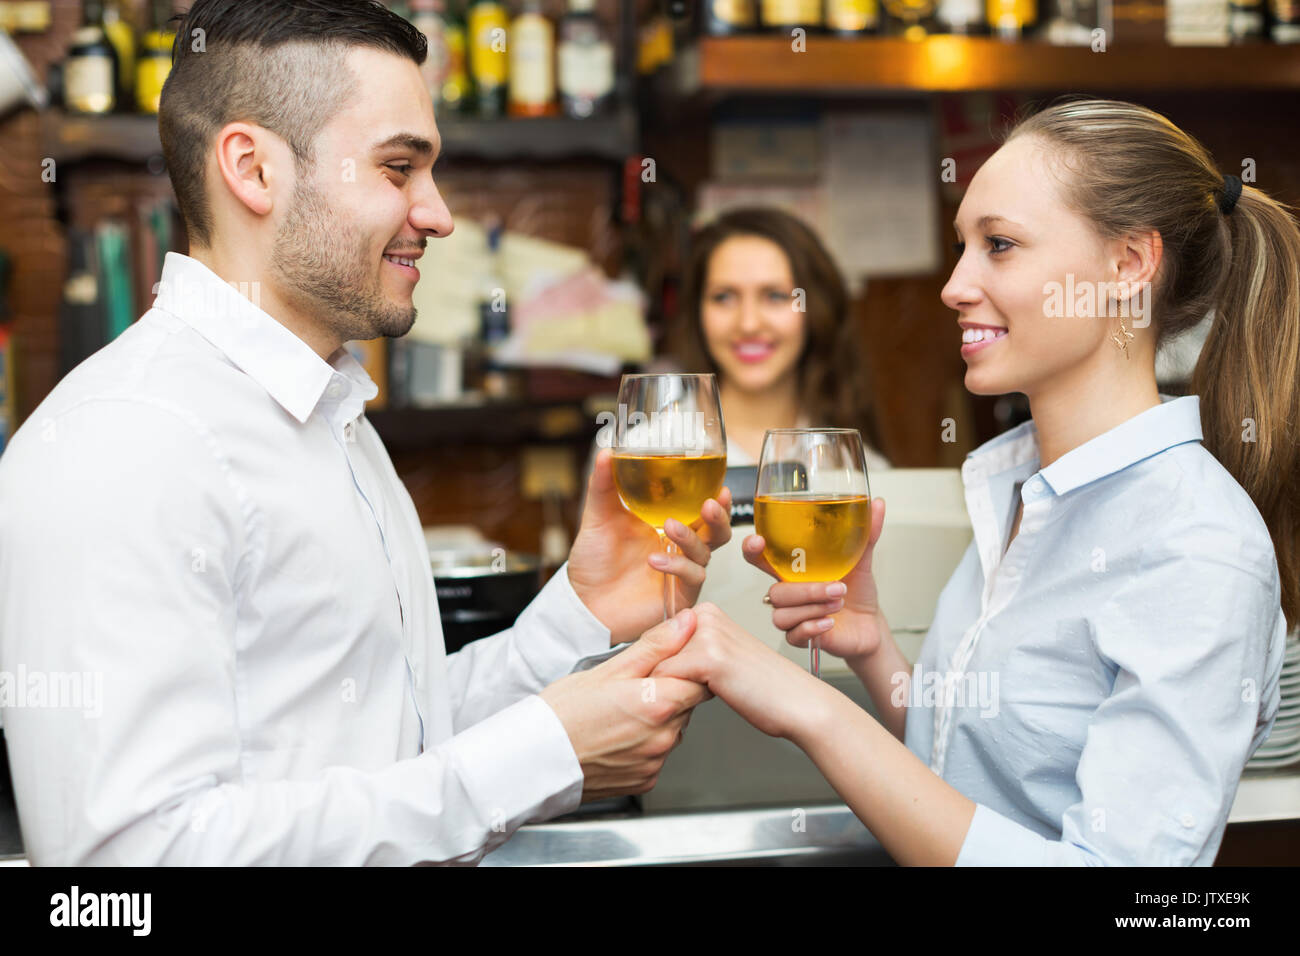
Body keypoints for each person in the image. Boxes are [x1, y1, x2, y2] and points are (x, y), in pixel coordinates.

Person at [0, 0, 733, 865]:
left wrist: (579, 614)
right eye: (398, 169)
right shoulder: (121, 442)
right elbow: (130, 869)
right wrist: (542, 754)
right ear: (253, 169)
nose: (438, 214)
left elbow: (388, 728)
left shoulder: (331, 412)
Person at [650, 98, 1298, 865]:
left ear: (1128, 266)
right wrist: (874, 652)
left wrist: (813, 711)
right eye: (964, 246)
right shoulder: (1023, 488)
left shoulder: (1198, 549)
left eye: (999, 245)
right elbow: (970, 775)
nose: (954, 285)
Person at [671, 206, 890, 469]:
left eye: (775, 296)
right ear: (697, 311)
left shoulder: (860, 470)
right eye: (724, 296)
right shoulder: (643, 455)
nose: (748, 323)